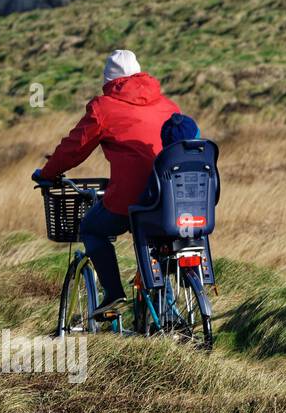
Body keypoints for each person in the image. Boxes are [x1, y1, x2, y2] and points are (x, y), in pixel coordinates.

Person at [31, 50, 180, 318]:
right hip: (171, 196)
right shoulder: (168, 105)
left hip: (131, 197)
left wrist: (48, 172)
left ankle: (114, 293)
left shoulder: (104, 107)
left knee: (91, 228)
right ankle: (168, 318)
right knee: (154, 245)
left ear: (109, 79)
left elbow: (74, 148)